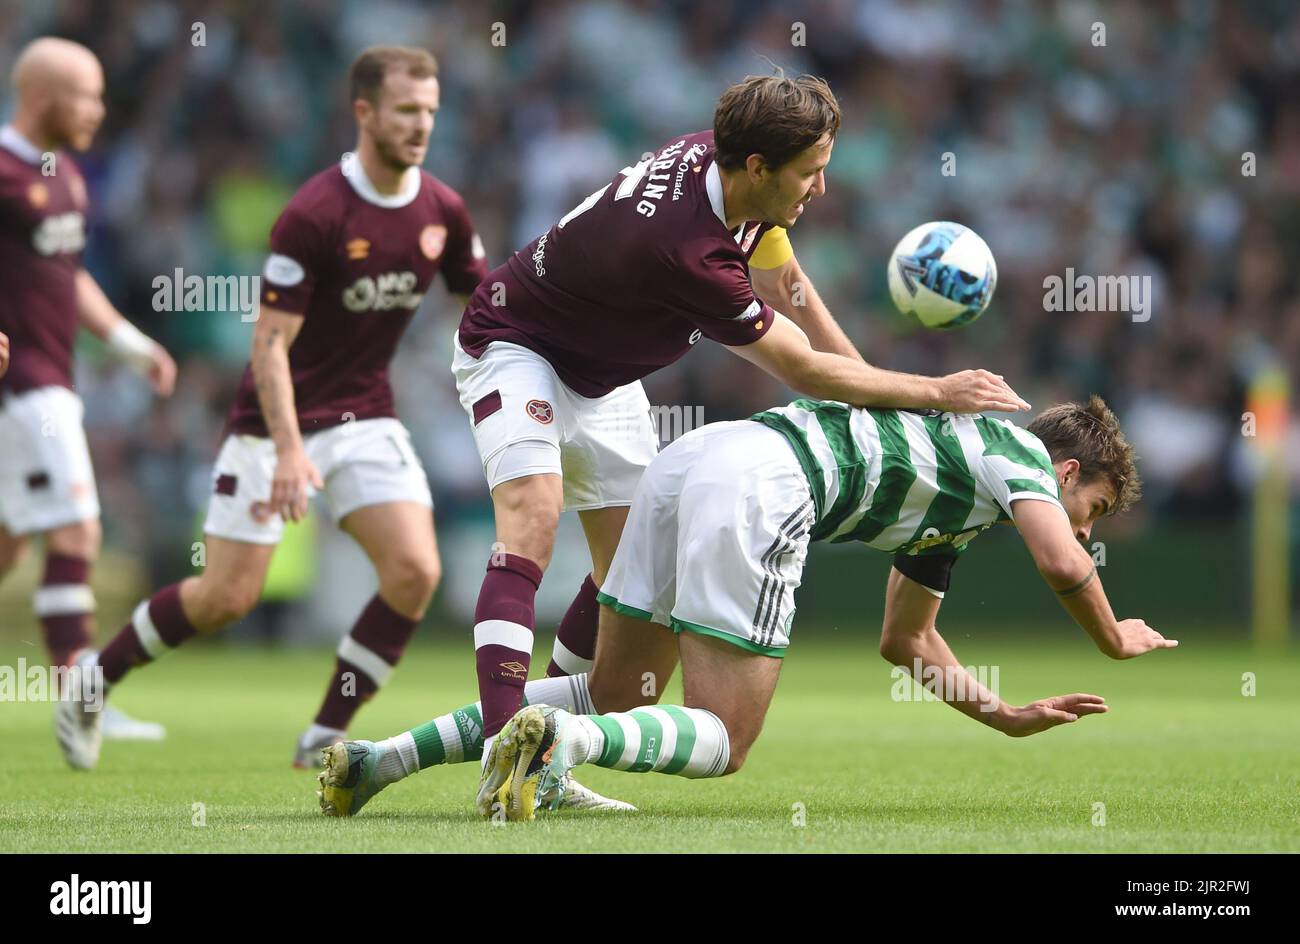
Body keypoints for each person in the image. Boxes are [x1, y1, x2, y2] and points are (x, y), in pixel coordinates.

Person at [445, 72, 1029, 817]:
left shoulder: (726, 169)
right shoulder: (688, 249)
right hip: (517, 343)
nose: (822, 186)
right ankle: (503, 756)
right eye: (811, 171)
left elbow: (793, 292)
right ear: (759, 167)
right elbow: (802, 370)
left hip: (602, 373)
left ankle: (538, 752)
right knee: (533, 511)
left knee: (628, 575)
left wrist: (875, 388)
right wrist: (938, 392)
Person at [318, 395, 1169, 821]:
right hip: (763, 484)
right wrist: (1110, 636)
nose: (1081, 529)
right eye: (1090, 510)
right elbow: (1061, 559)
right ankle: (562, 748)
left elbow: (905, 641)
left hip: (697, 458)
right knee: (726, 741)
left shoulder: (948, 502)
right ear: (1066, 476)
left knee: (619, 698)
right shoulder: (1015, 447)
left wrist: (1007, 716)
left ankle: (381, 761)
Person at [54, 46, 484, 770]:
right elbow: (269, 345)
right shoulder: (315, 213)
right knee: (225, 597)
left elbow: (480, 301)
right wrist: (290, 449)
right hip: (269, 428)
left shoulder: (442, 210)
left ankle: (323, 734)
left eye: (430, 112)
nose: (421, 126)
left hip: (367, 417)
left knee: (415, 571)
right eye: (407, 111)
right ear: (365, 112)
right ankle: (94, 681)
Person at [0, 37, 176, 742]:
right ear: (43, 96)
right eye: (88, 95)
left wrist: (130, 342)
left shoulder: (64, 175)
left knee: (9, 547)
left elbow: (66, 275)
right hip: (24, 388)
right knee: (77, 528)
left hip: (52, 379)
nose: (100, 110)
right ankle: (81, 700)